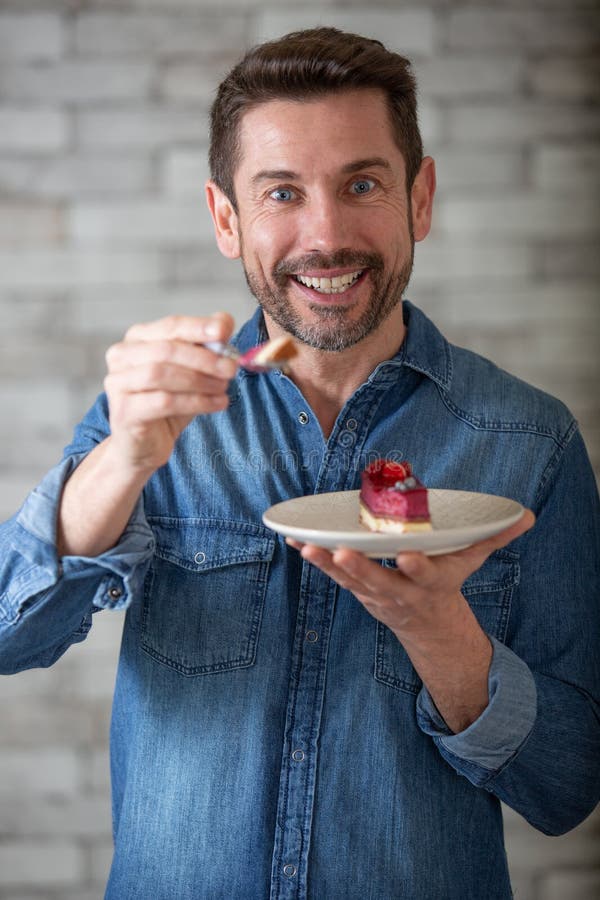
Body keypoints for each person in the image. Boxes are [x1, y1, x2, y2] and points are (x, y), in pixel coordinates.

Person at [0, 27, 598, 900]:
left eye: (362, 184)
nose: (325, 235)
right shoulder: (154, 416)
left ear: (419, 199)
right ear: (225, 219)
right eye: (282, 192)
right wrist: (121, 459)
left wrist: (443, 635)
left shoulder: (531, 442)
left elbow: (569, 786)